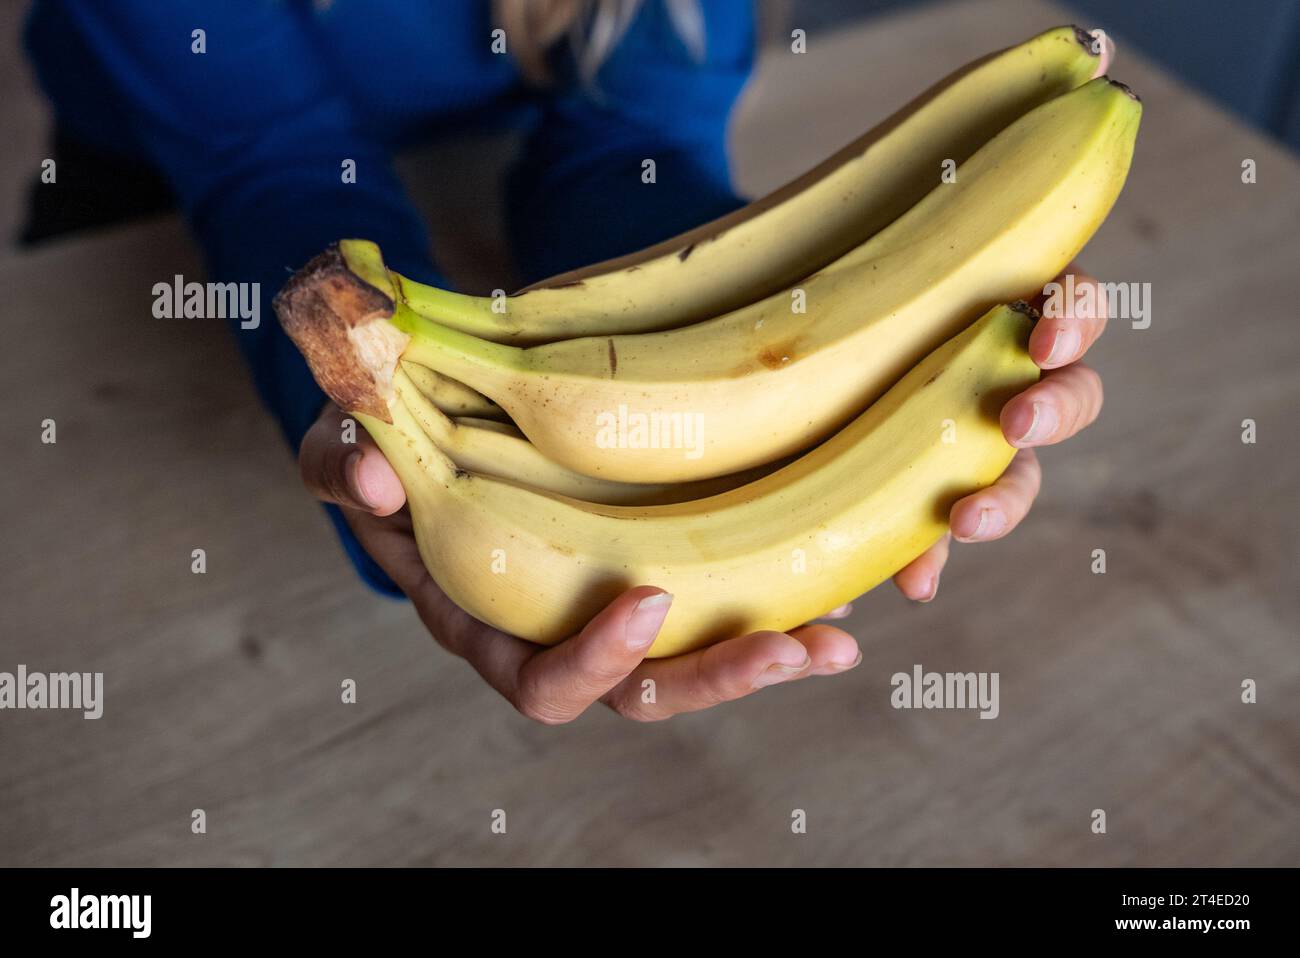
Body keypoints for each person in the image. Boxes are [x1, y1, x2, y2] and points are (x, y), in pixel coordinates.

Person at [25, 0, 1109, 723]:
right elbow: (274, 167)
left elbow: (623, 144)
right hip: (151, 198)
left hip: (518, 139)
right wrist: (383, 437)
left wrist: (798, 346)